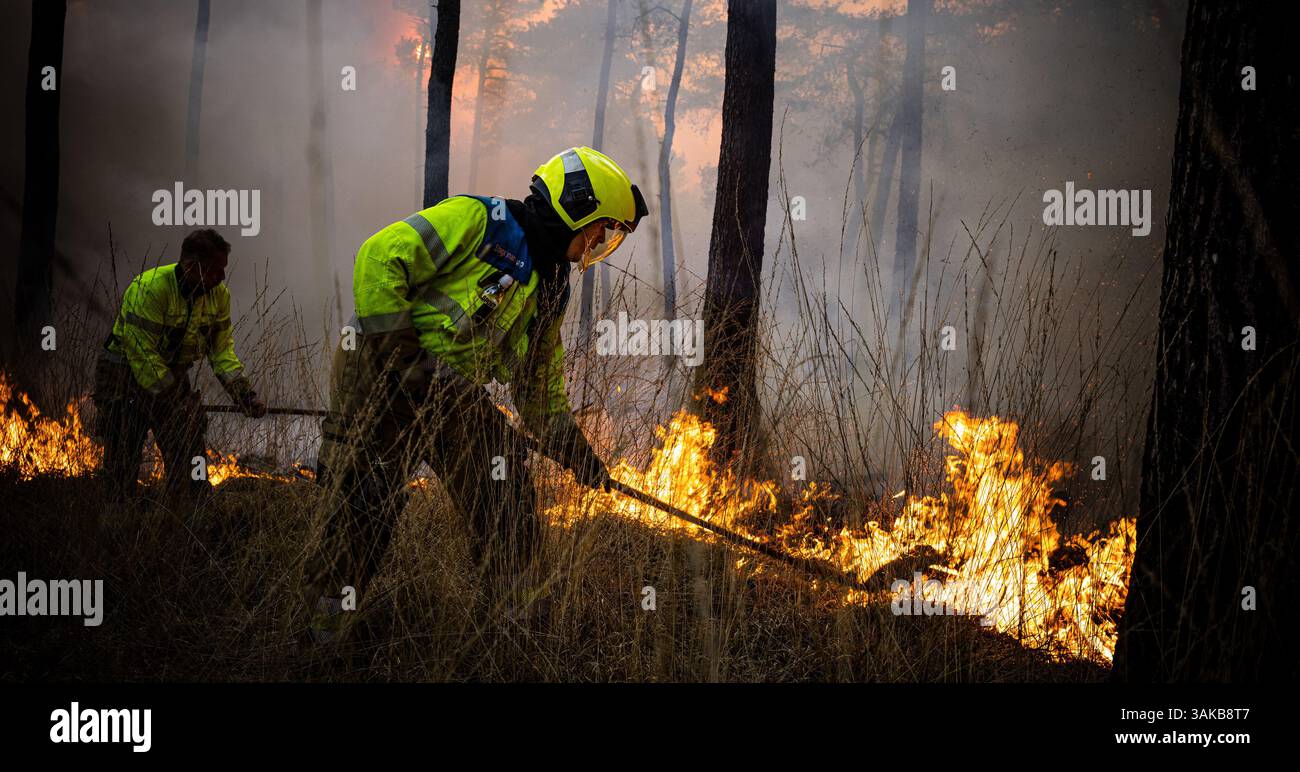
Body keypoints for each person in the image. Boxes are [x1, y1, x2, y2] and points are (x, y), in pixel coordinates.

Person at [306, 147, 648, 640]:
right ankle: (323, 634)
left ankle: (515, 628)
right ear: (575, 204)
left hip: (449, 389)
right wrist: (406, 362)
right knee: (364, 500)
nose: (600, 241)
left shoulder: (553, 285)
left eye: (608, 235)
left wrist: (574, 449)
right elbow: (379, 258)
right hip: (381, 366)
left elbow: (538, 382)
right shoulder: (480, 220)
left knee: (504, 487)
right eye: (601, 227)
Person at [93, 228, 266, 502]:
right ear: (190, 266)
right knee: (123, 455)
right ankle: (118, 516)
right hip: (123, 377)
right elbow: (142, 354)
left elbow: (221, 352)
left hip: (170, 375)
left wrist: (243, 394)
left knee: (188, 447)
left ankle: (191, 510)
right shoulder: (149, 288)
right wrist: (175, 401)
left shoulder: (218, 296)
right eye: (214, 270)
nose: (221, 277)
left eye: (223, 269)